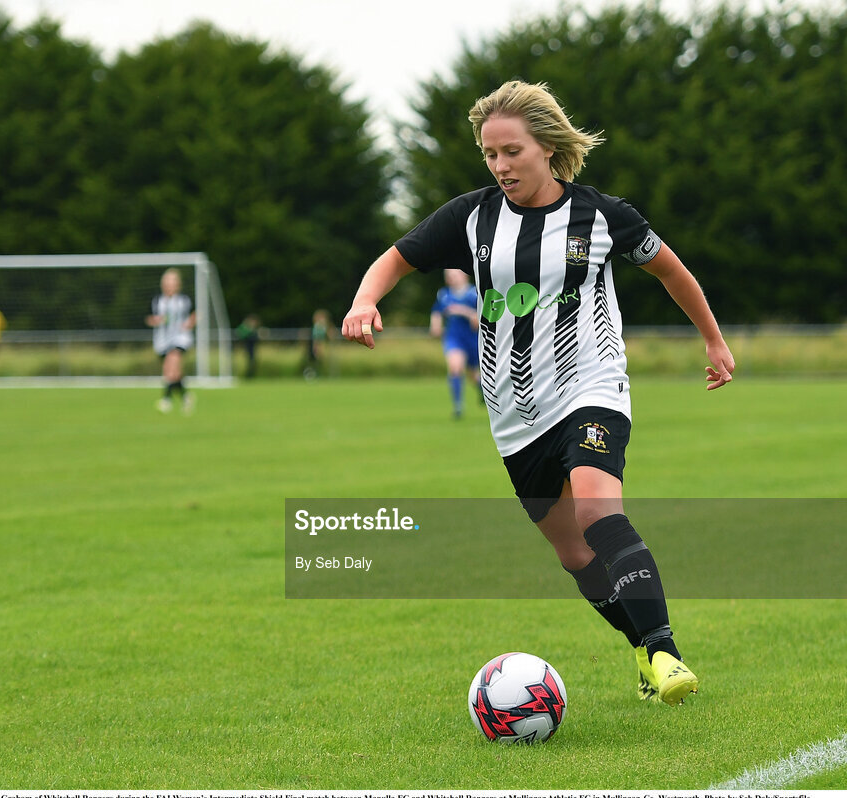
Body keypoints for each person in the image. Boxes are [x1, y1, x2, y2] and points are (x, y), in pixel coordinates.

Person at [342, 80, 735, 706]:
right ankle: (642, 648)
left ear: (547, 147)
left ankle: (663, 648)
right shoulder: (471, 218)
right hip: (514, 413)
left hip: (591, 383)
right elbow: (395, 258)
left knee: (596, 513)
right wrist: (365, 301)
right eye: (490, 154)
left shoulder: (603, 215)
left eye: (512, 152)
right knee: (573, 552)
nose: (500, 166)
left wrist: (713, 341)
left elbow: (671, 271)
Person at [430, 268, 481, 418]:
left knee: (474, 375)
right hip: (454, 337)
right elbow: (437, 311)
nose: (451, 278)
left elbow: (479, 318)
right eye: (448, 276)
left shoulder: (474, 293)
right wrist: (436, 325)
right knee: (455, 368)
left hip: (472, 339)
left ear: (464, 275)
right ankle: (458, 406)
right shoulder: (444, 294)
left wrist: (463, 311)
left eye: (454, 275)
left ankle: (483, 391)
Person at [146, 268, 195, 413]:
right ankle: (186, 396)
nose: (169, 285)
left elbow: (195, 314)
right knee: (174, 372)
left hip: (180, 338)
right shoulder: (157, 301)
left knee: (170, 364)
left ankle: (166, 399)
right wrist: (155, 321)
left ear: (178, 284)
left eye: (172, 281)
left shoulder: (184, 300)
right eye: (167, 281)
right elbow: (149, 318)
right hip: (163, 340)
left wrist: (189, 323)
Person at [235, 313, 261, 379]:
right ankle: (246, 376)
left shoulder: (253, 330)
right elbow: (240, 335)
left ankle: (250, 376)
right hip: (244, 349)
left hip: (251, 349)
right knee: (246, 362)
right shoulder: (244, 329)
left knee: (252, 362)